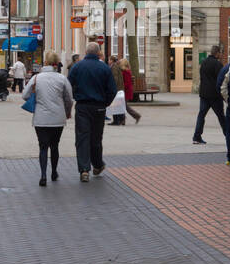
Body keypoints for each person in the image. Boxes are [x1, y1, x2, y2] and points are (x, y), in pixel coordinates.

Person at [23, 50, 73, 186]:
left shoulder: (36, 78)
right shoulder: (62, 78)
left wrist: (36, 98)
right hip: (58, 118)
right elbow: (69, 99)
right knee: (55, 146)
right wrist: (67, 112)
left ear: (45, 62)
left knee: (43, 147)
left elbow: (25, 95)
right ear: (56, 63)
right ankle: (54, 172)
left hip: (41, 119)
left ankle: (43, 175)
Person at [69, 41, 117, 182]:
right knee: (96, 138)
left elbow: (68, 85)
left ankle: (84, 169)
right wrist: (105, 102)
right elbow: (112, 90)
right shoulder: (104, 68)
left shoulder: (77, 66)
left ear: (86, 52)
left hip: (83, 106)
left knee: (82, 138)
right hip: (99, 106)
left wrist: (75, 95)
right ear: (98, 53)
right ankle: (97, 164)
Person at [193, 44, 226, 144]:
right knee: (221, 116)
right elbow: (222, 80)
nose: (221, 55)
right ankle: (229, 134)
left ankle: (196, 137)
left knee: (201, 115)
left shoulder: (203, 62)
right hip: (215, 95)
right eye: (220, 53)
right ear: (217, 53)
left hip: (204, 94)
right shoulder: (218, 64)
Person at [120, 58, 141, 124]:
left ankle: (136, 116)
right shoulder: (126, 71)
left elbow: (127, 83)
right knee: (123, 105)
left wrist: (121, 89)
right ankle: (123, 119)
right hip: (126, 90)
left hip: (126, 91)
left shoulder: (125, 72)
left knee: (124, 105)